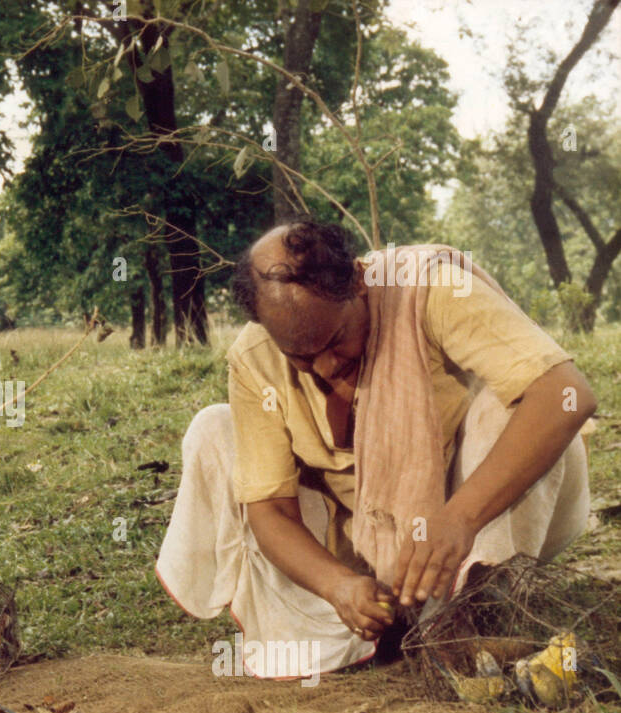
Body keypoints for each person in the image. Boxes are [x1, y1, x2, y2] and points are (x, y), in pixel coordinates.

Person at [156, 220, 596, 678]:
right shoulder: (256, 358)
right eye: (301, 356)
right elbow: (272, 512)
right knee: (214, 429)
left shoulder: (428, 290)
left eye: (334, 341)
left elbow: (566, 395)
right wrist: (340, 586)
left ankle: (476, 606)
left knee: (510, 406)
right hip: (365, 543)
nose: (324, 367)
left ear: (360, 282)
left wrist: (459, 518)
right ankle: (375, 623)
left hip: (480, 520)